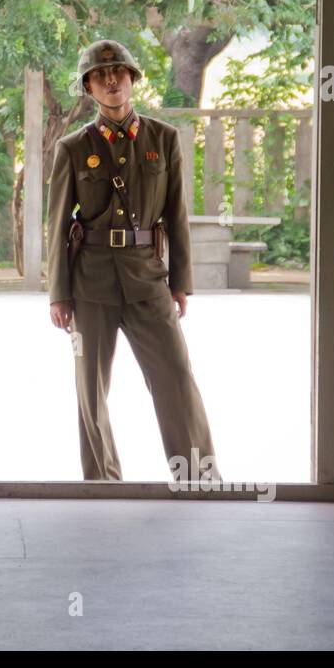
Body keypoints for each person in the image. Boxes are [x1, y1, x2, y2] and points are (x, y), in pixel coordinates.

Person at [46, 38, 222, 483]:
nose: (110, 81)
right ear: (87, 87)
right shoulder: (72, 147)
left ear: (132, 79)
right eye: (99, 76)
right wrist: (58, 293)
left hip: (148, 278)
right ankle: (102, 482)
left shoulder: (163, 139)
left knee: (177, 381)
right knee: (92, 391)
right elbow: (57, 227)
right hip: (90, 285)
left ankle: (199, 477)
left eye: (118, 72)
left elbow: (176, 214)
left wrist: (181, 282)